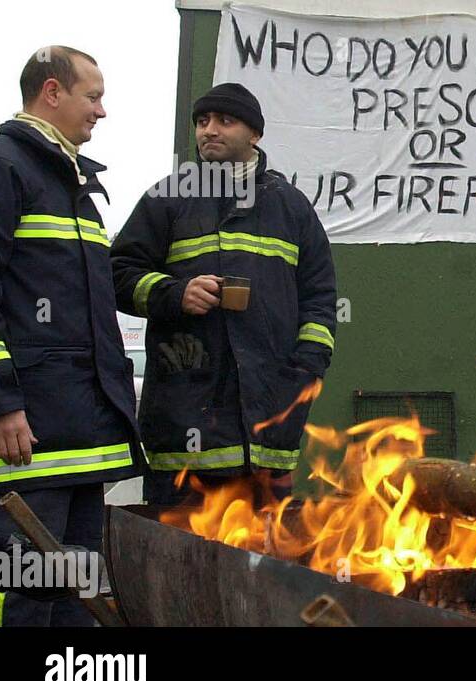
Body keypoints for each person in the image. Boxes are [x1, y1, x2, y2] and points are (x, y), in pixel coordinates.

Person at [112, 83, 337, 506]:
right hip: (184, 434)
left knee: (263, 566)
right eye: (202, 121)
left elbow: (320, 298)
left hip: (269, 430)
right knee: (177, 562)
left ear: (254, 135)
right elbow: (117, 275)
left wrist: (304, 373)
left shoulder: (291, 207)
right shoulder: (168, 198)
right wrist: (174, 294)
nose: (209, 130)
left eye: (224, 121)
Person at [0, 46, 143, 626]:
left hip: (80, 436)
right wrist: (4, 403)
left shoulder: (74, 182)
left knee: (80, 588)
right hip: (29, 435)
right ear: (52, 92)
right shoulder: (7, 167)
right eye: (93, 96)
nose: (101, 112)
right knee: (25, 589)